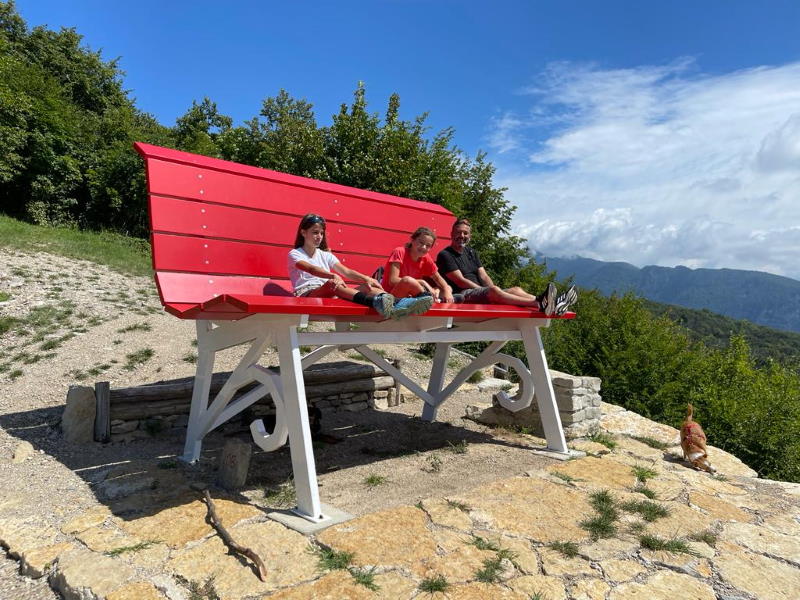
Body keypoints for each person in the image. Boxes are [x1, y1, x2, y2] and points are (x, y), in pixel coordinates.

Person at [436, 218, 578, 315]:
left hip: (480, 292)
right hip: (463, 294)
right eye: (458, 232)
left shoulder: (471, 252)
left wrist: (491, 289)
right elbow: (460, 281)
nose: (462, 235)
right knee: (494, 291)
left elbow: (483, 275)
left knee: (515, 289)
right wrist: (488, 291)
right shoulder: (445, 255)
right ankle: (539, 304)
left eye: (465, 233)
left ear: (470, 236)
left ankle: (551, 303)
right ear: (451, 234)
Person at [287, 214, 396, 318]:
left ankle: (395, 304)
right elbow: (311, 269)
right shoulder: (295, 254)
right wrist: (332, 276)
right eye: (315, 232)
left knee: (368, 287)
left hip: (332, 292)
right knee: (333, 283)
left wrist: (367, 279)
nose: (319, 236)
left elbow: (346, 271)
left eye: (321, 233)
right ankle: (373, 302)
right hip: (307, 294)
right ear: (303, 232)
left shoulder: (325, 255)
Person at [380, 227, 450, 317]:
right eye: (421, 242)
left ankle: (436, 299)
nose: (423, 247)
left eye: (428, 245)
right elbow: (392, 281)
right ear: (412, 240)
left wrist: (447, 291)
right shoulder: (399, 252)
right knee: (408, 281)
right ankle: (432, 299)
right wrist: (422, 282)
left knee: (445, 288)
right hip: (392, 299)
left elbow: (437, 278)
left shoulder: (425, 257)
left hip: (410, 298)